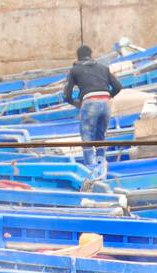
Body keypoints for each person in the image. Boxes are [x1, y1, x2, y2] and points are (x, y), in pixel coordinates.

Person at [62, 44, 121, 177]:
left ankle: (90, 170)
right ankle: (101, 163)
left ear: (78, 57)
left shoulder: (75, 70)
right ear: (91, 54)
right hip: (106, 102)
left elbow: (66, 95)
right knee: (101, 136)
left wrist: (76, 103)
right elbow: (118, 86)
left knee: (87, 137)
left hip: (89, 102)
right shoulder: (103, 68)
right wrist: (108, 96)